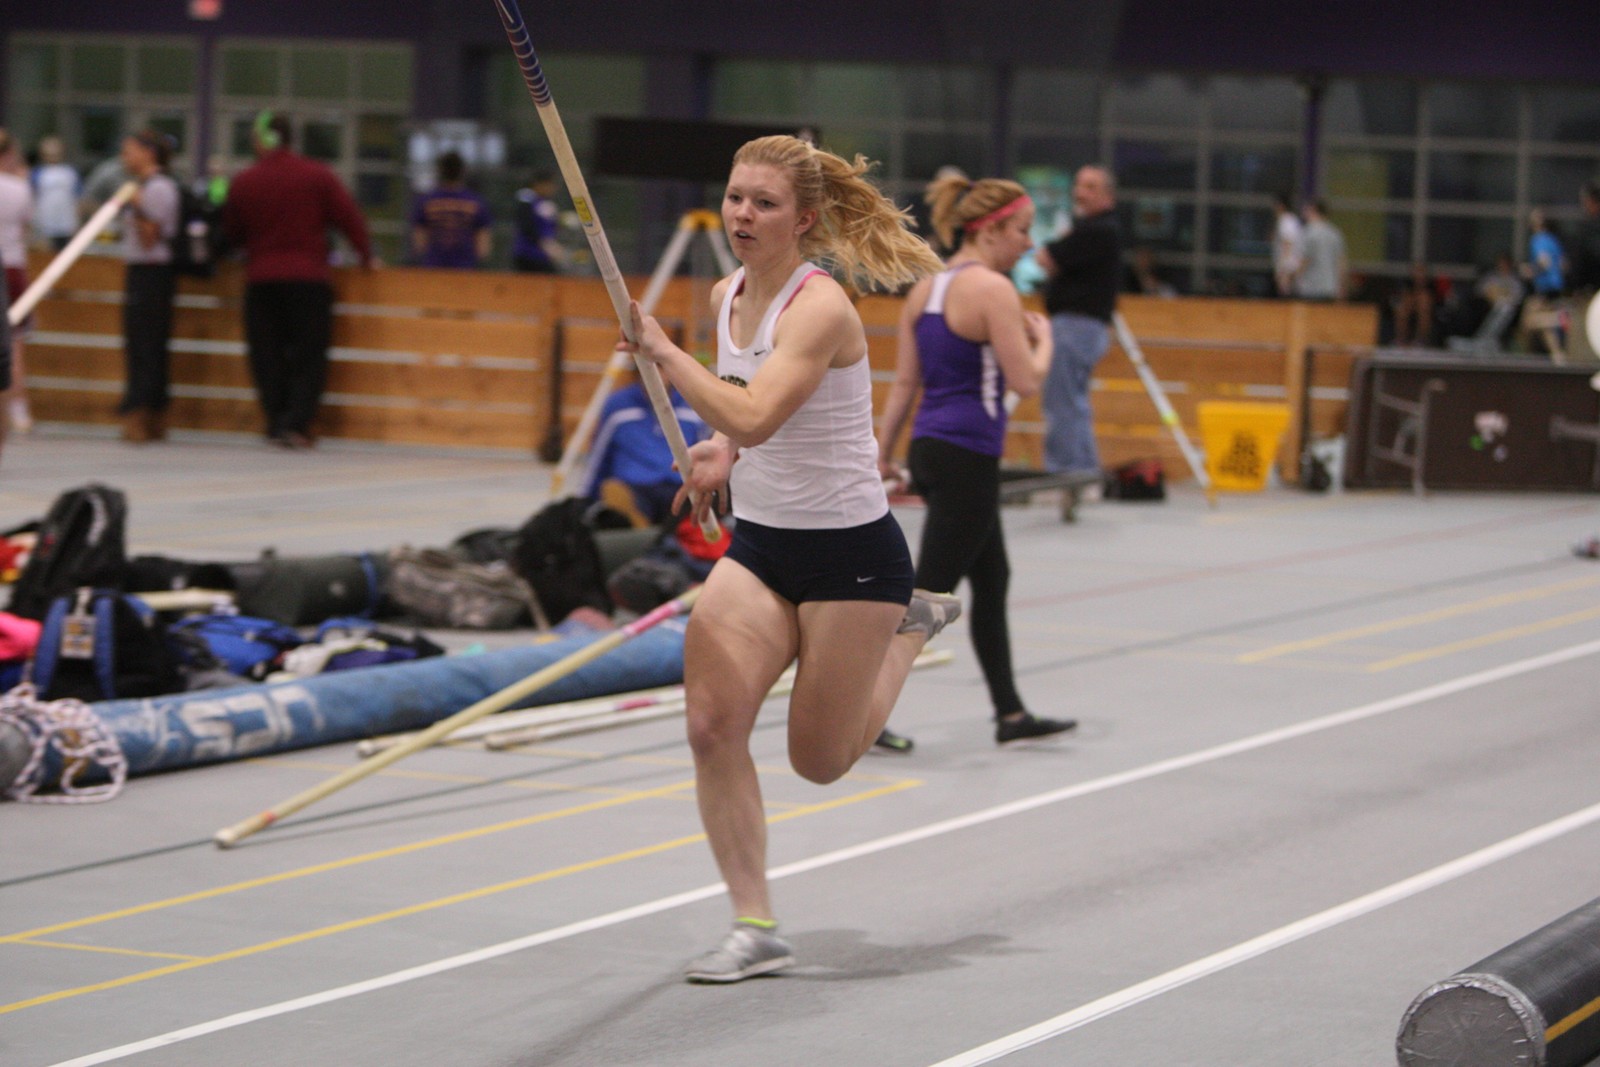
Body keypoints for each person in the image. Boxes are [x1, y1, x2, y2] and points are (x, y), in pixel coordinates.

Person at [617, 134, 955, 983]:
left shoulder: (821, 305)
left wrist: (664, 353)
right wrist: (716, 454)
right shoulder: (730, 292)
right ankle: (754, 921)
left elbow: (761, 411)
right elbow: (742, 416)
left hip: (852, 560)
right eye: (735, 197)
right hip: (761, 547)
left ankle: (910, 626)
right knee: (710, 726)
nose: (742, 214)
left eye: (764, 203)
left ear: (803, 220)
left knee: (820, 759)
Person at [877, 173, 1077, 745]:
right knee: (925, 597)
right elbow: (1025, 381)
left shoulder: (926, 291)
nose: (1027, 245)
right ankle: (860, 714)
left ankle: (1010, 713)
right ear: (990, 230)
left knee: (993, 579)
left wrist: (885, 454)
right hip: (969, 454)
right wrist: (1046, 342)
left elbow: (904, 385)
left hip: (932, 447)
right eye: (1020, 232)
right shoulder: (993, 291)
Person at [223, 111, 374, 449]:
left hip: (261, 280)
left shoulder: (245, 180)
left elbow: (232, 233)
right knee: (309, 356)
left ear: (263, 139)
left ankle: (276, 421)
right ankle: (298, 424)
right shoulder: (318, 176)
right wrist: (366, 256)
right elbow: (350, 219)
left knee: (267, 355)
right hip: (309, 280)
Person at [1034, 164, 1120, 483]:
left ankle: (1065, 473)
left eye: (1090, 187)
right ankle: (1083, 470)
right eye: (1079, 185)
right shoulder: (1090, 229)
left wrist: (1057, 260)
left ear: (1107, 196)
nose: (1080, 193)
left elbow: (1046, 258)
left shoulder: (1096, 230)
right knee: (1075, 403)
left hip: (1076, 326)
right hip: (1082, 326)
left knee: (1062, 402)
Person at [576, 367, 709, 526]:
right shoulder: (618, 406)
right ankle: (641, 536)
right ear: (640, 370)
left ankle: (674, 536)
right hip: (633, 487)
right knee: (615, 493)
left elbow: (707, 456)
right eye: (650, 367)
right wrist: (584, 499)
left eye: (661, 368)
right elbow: (599, 456)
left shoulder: (692, 407)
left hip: (679, 488)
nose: (656, 374)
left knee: (693, 502)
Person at [116, 129, 181, 444]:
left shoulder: (158, 188)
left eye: (129, 151)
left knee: (146, 344)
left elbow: (150, 237)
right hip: (144, 271)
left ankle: (143, 413)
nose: (124, 158)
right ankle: (149, 411)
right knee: (141, 342)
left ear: (148, 153)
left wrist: (138, 206)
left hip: (151, 272)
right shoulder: (145, 187)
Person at [0, 131, 35, 434]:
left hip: (8, 265)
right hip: (12, 266)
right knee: (13, 343)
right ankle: (18, 410)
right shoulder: (20, 187)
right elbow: (25, 227)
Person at [410, 150, 491, 269]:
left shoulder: (426, 201)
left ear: (440, 170)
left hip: (433, 268)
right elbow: (483, 248)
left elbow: (419, 243)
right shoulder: (476, 202)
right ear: (463, 171)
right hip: (465, 269)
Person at [1520, 208, 1566, 356]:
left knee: (1528, 321)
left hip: (1545, 288)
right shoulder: (1553, 240)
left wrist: (1530, 271)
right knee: (1546, 330)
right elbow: (1564, 264)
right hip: (1556, 287)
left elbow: (1544, 262)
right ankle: (1557, 356)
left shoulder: (1538, 240)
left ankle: (1560, 319)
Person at [510, 171, 568, 274]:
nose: (552, 189)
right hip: (528, 253)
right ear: (539, 184)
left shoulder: (546, 202)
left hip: (544, 254)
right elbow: (526, 225)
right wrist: (545, 244)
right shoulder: (527, 199)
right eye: (550, 185)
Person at [30, 135, 81, 251]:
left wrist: (78, 222)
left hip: (67, 223)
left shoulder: (70, 172)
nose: (53, 156)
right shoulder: (37, 173)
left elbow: (77, 198)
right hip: (44, 224)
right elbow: (31, 198)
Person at [1570, 181, 1600, 361]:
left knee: (1583, 348)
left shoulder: (1589, 230)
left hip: (1591, 293)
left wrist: (1575, 286)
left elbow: (1582, 262)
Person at [1295, 199, 1347, 301]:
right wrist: (1341, 286)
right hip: (1330, 288)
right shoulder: (1335, 233)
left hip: (1310, 288)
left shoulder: (1308, 232)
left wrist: (1295, 278)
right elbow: (1341, 262)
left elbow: (1304, 260)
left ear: (1313, 210)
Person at [1271, 194, 1304, 298]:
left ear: (1280, 206)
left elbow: (1287, 244)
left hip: (1288, 267)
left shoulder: (1286, 220)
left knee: (1285, 296)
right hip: (1291, 266)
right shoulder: (1290, 220)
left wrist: (1283, 268)